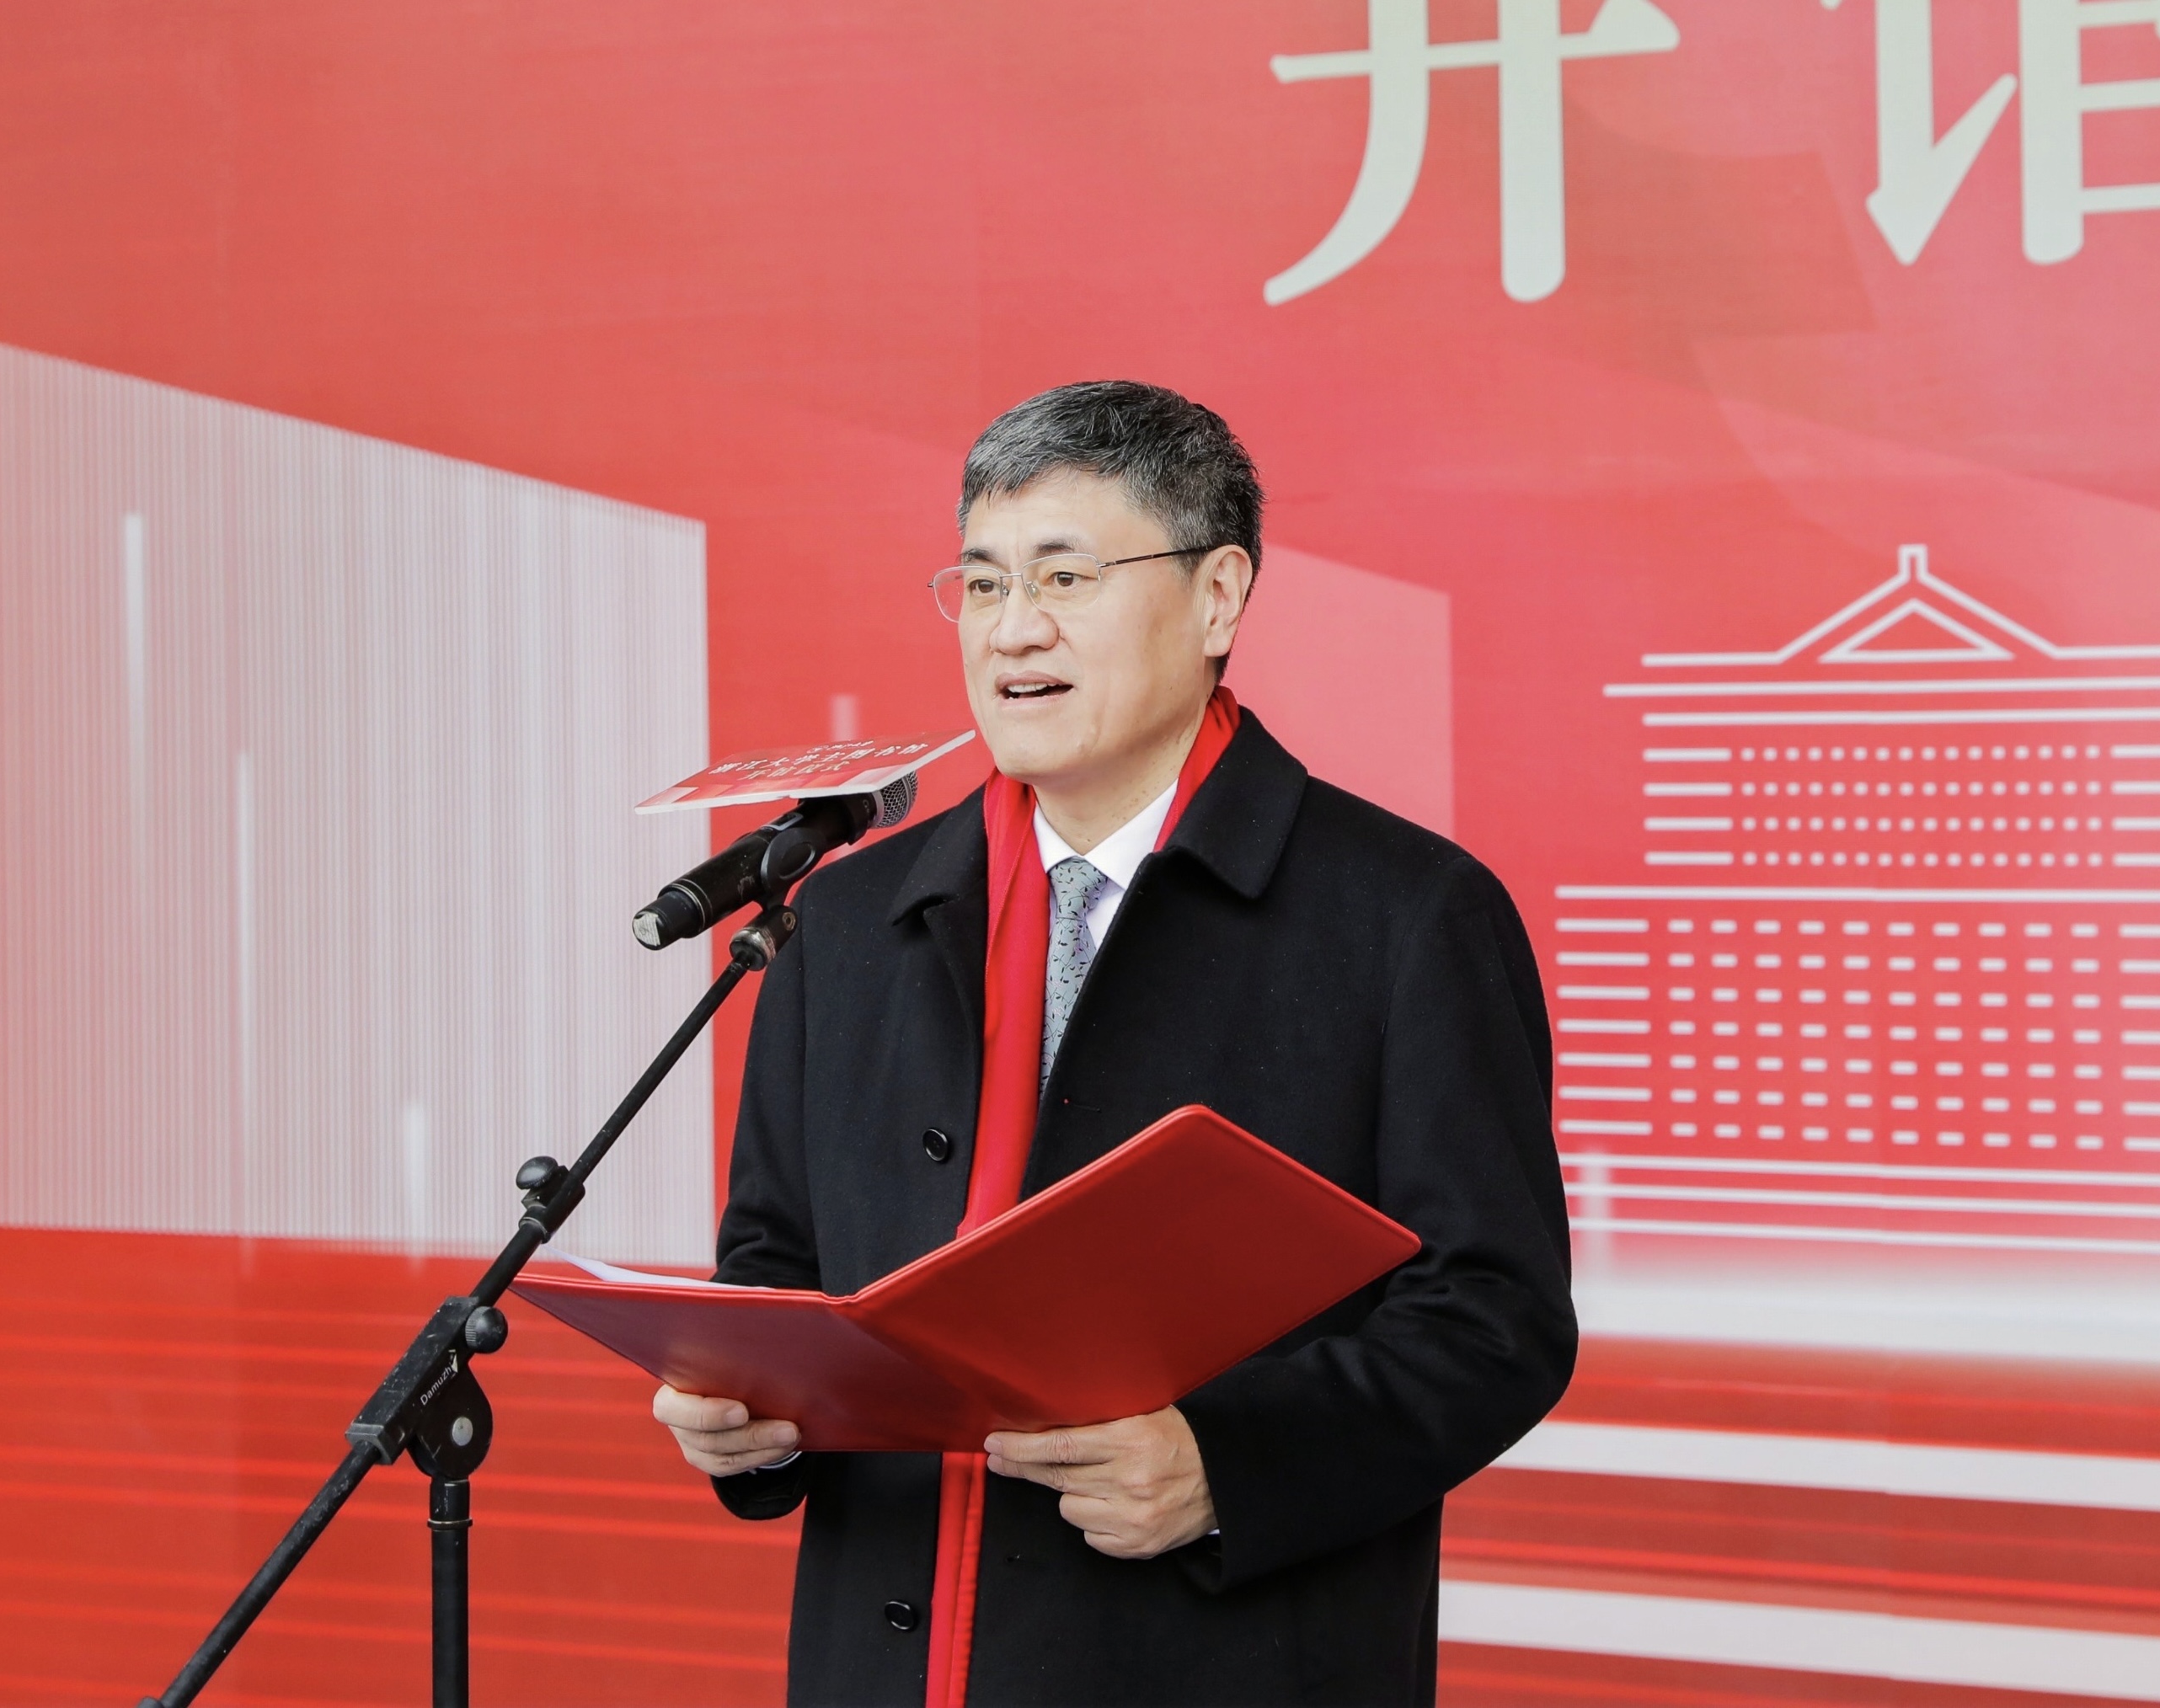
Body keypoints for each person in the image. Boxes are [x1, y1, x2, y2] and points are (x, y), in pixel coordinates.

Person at [654, 381, 1575, 1707]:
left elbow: (1493, 1319)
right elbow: (775, 1263)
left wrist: (1225, 1466)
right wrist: (752, 1420)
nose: (1012, 627)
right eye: (981, 583)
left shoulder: (1403, 915)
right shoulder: (847, 918)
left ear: (1217, 598)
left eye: (1065, 576)